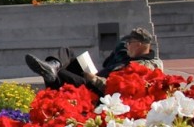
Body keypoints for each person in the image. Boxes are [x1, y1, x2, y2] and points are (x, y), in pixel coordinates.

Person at [26, 27, 162, 95]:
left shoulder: (145, 66)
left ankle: (51, 77)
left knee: (60, 74)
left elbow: (118, 86)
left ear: (138, 45)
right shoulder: (131, 56)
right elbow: (112, 58)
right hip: (95, 76)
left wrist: (93, 78)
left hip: (96, 87)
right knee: (67, 51)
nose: (127, 45)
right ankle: (52, 65)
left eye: (129, 43)